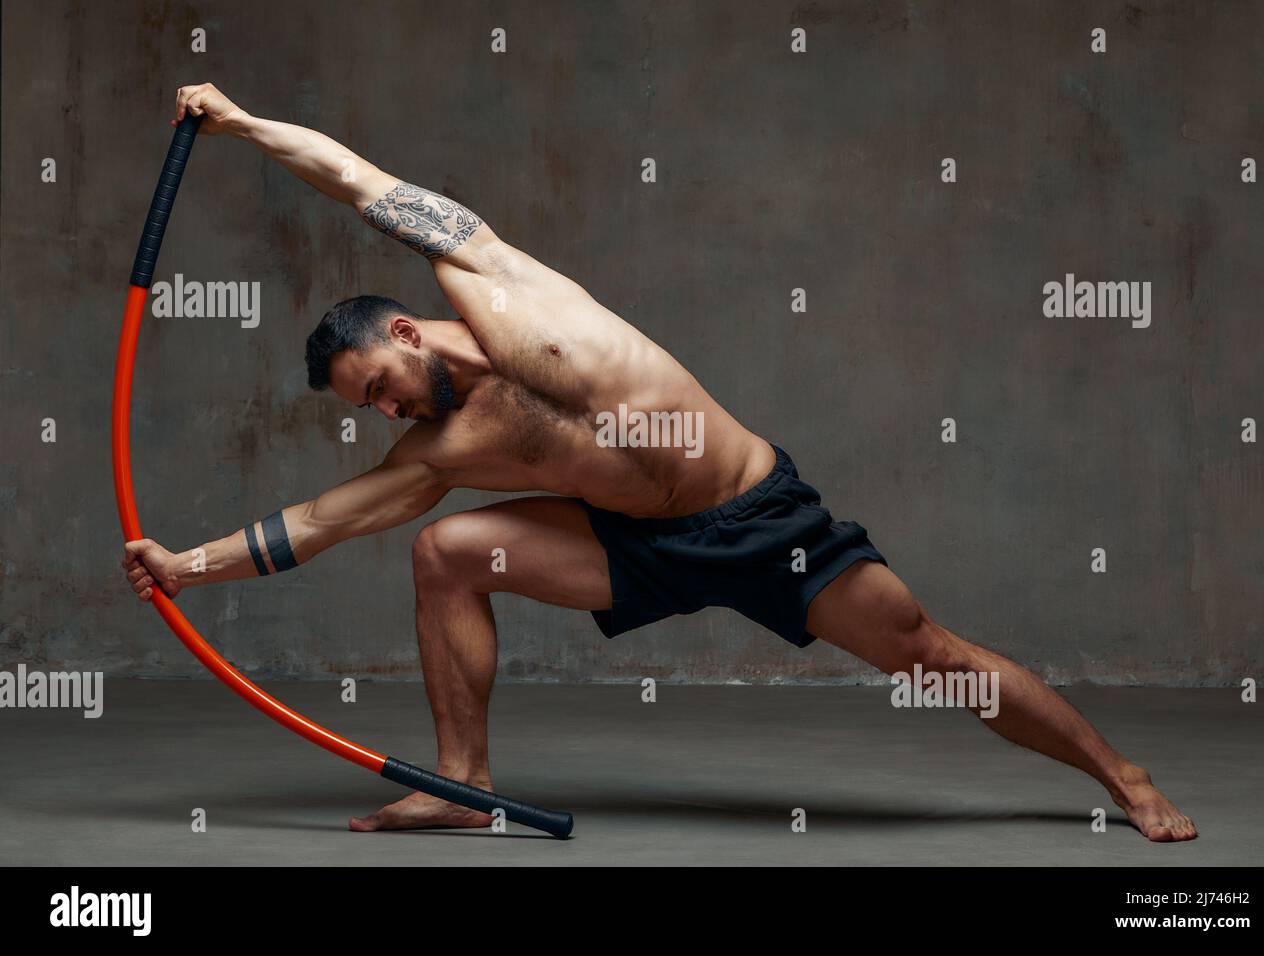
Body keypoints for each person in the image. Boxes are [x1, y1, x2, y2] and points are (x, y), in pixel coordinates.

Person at [122, 84, 1197, 841]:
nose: (382, 410)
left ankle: (1120, 774)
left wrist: (240, 122)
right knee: (443, 549)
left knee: (925, 650)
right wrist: (185, 562)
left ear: (400, 332)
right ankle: (461, 785)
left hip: (755, 515)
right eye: (369, 409)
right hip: (633, 546)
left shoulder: (491, 276)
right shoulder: (441, 450)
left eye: (376, 386)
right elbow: (320, 520)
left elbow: (357, 179)